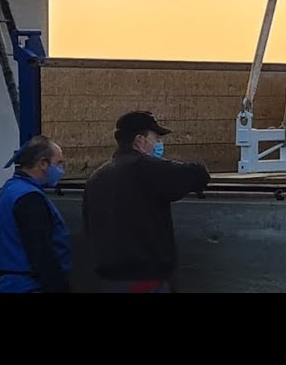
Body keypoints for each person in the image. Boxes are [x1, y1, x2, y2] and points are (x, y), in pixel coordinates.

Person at [83, 110, 210, 293]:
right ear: (140, 140)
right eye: (155, 138)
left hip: (109, 280)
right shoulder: (143, 167)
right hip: (144, 280)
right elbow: (197, 173)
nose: (158, 144)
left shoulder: (97, 177)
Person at [0, 135, 71, 293]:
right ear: (43, 163)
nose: (62, 169)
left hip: (9, 284)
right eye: (59, 163)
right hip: (29, 285)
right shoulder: (30, 198)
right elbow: (42, 253)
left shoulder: (6, 192)